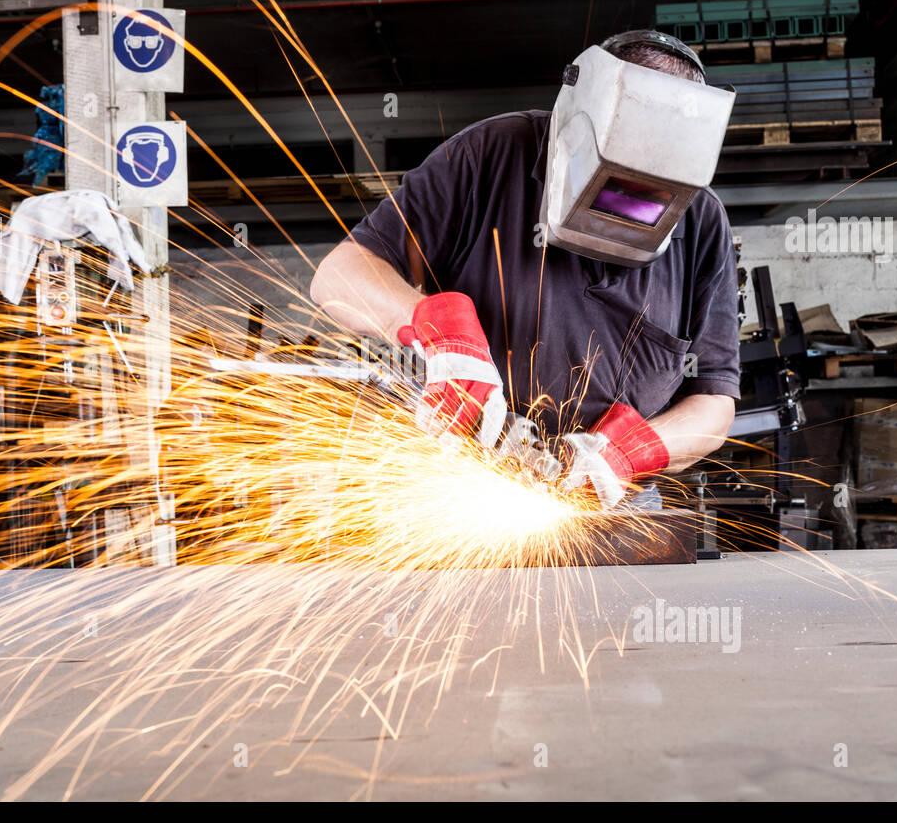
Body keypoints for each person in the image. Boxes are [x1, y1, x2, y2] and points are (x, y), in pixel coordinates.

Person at [311, 30, 740, 507]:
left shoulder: (701, 220)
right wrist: (436, 327)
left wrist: (627, 453)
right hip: (464, 497)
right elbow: (340, 274)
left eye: (648, 199)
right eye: (613, 186)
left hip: (614, 510)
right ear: (577, 131)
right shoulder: (488, 156)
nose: (622, 212)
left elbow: (714, 405)